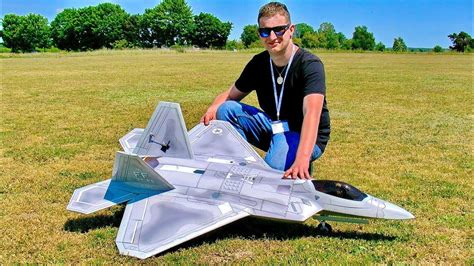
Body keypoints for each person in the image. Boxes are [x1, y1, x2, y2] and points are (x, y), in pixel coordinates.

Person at [201, 1, 330, 180]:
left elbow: (312, 114)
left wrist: (302, 158)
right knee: (226, 109)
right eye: (265, 31)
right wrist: (212, 108)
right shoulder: (258, 63)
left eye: (279, 29)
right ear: (259, 33)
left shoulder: (309, 65)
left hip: (304, 134)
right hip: (274, 126)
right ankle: (239, 166)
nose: (272, 36)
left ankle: (293, 156)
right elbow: (230, 95)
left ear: (291, 29)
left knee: (270, 176)